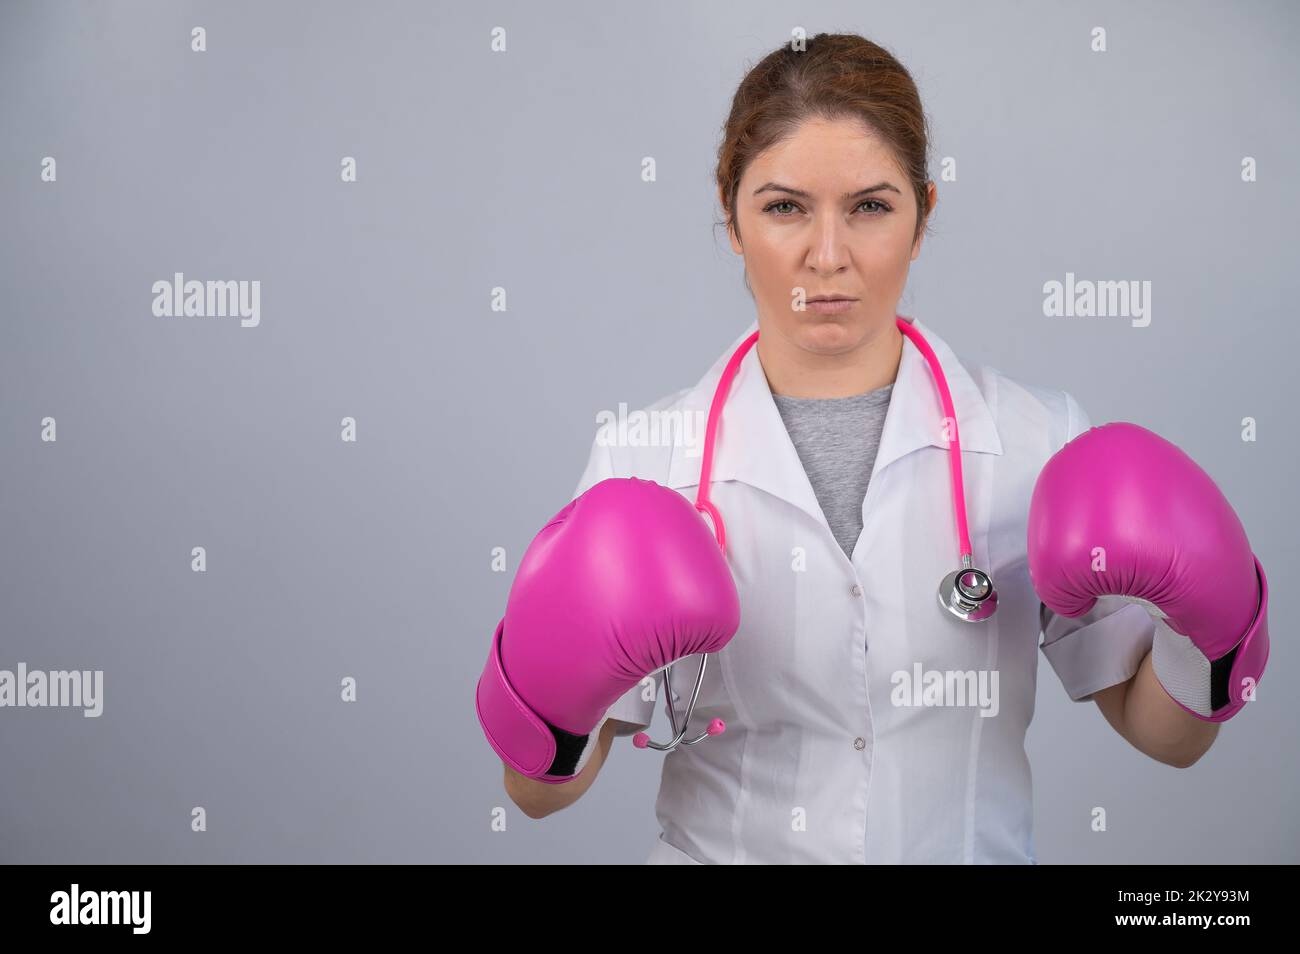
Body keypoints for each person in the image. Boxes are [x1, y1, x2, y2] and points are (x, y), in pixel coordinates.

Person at [485, 33, 1266, 864]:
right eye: (785, 207)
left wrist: (1212, 629)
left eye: (871, 206)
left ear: (924, 215)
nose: (829, 257)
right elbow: (536, 795)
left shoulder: (1037, 441)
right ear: (732, 214)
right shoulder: (644, 455)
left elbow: (1169, 740)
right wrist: (555, 697)